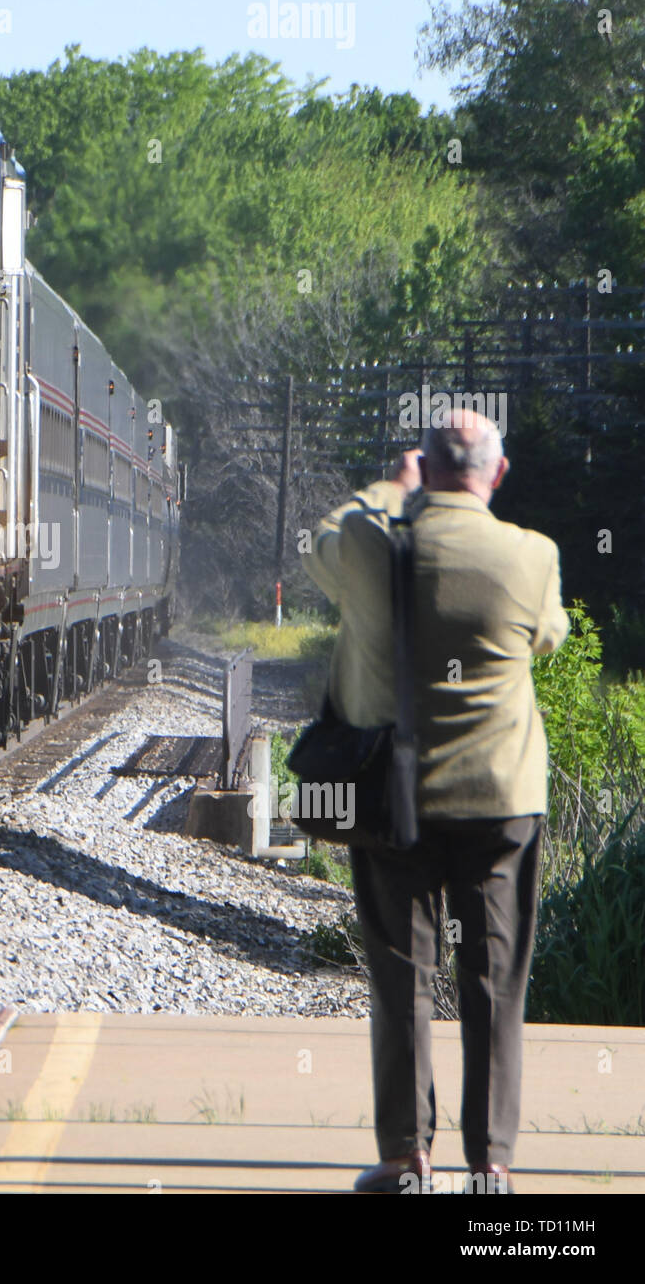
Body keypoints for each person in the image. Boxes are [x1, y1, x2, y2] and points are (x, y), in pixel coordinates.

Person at [302, 409, 568, 1194]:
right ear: (497, 472)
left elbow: (326, 536)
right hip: (500, 800)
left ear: (425, 466)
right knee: (493, 982)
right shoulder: (531, 555)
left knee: (398, 976)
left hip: (393, 801)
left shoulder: (370, 548)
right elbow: (545, 638)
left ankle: (405, 1160)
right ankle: (489, 1165)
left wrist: (393, 486)